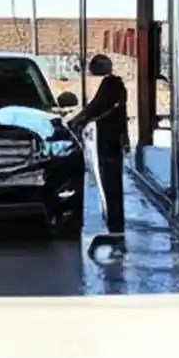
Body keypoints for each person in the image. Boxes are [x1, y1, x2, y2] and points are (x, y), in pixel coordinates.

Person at [69, 53, 129, 237]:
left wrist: (80, 120)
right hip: (109, 138)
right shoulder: (113, 84)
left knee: (109, 180)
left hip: (106, 139)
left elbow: (97, 108)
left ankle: (114, 223)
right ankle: (113, 222)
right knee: (109, 181)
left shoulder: (111, 85)